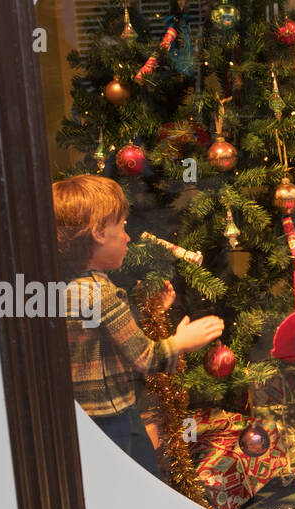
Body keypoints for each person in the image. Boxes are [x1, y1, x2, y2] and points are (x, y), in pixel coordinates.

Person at [53, 175, 223, 476]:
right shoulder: (102, 294)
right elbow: (144, 358)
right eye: (122, 226)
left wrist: (155, 313)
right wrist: (183, 341)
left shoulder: (67, 289)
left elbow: (107, 345)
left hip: (85, 417)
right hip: (113, 418)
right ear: (99, 234)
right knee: (138, 479)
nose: (128, 237)